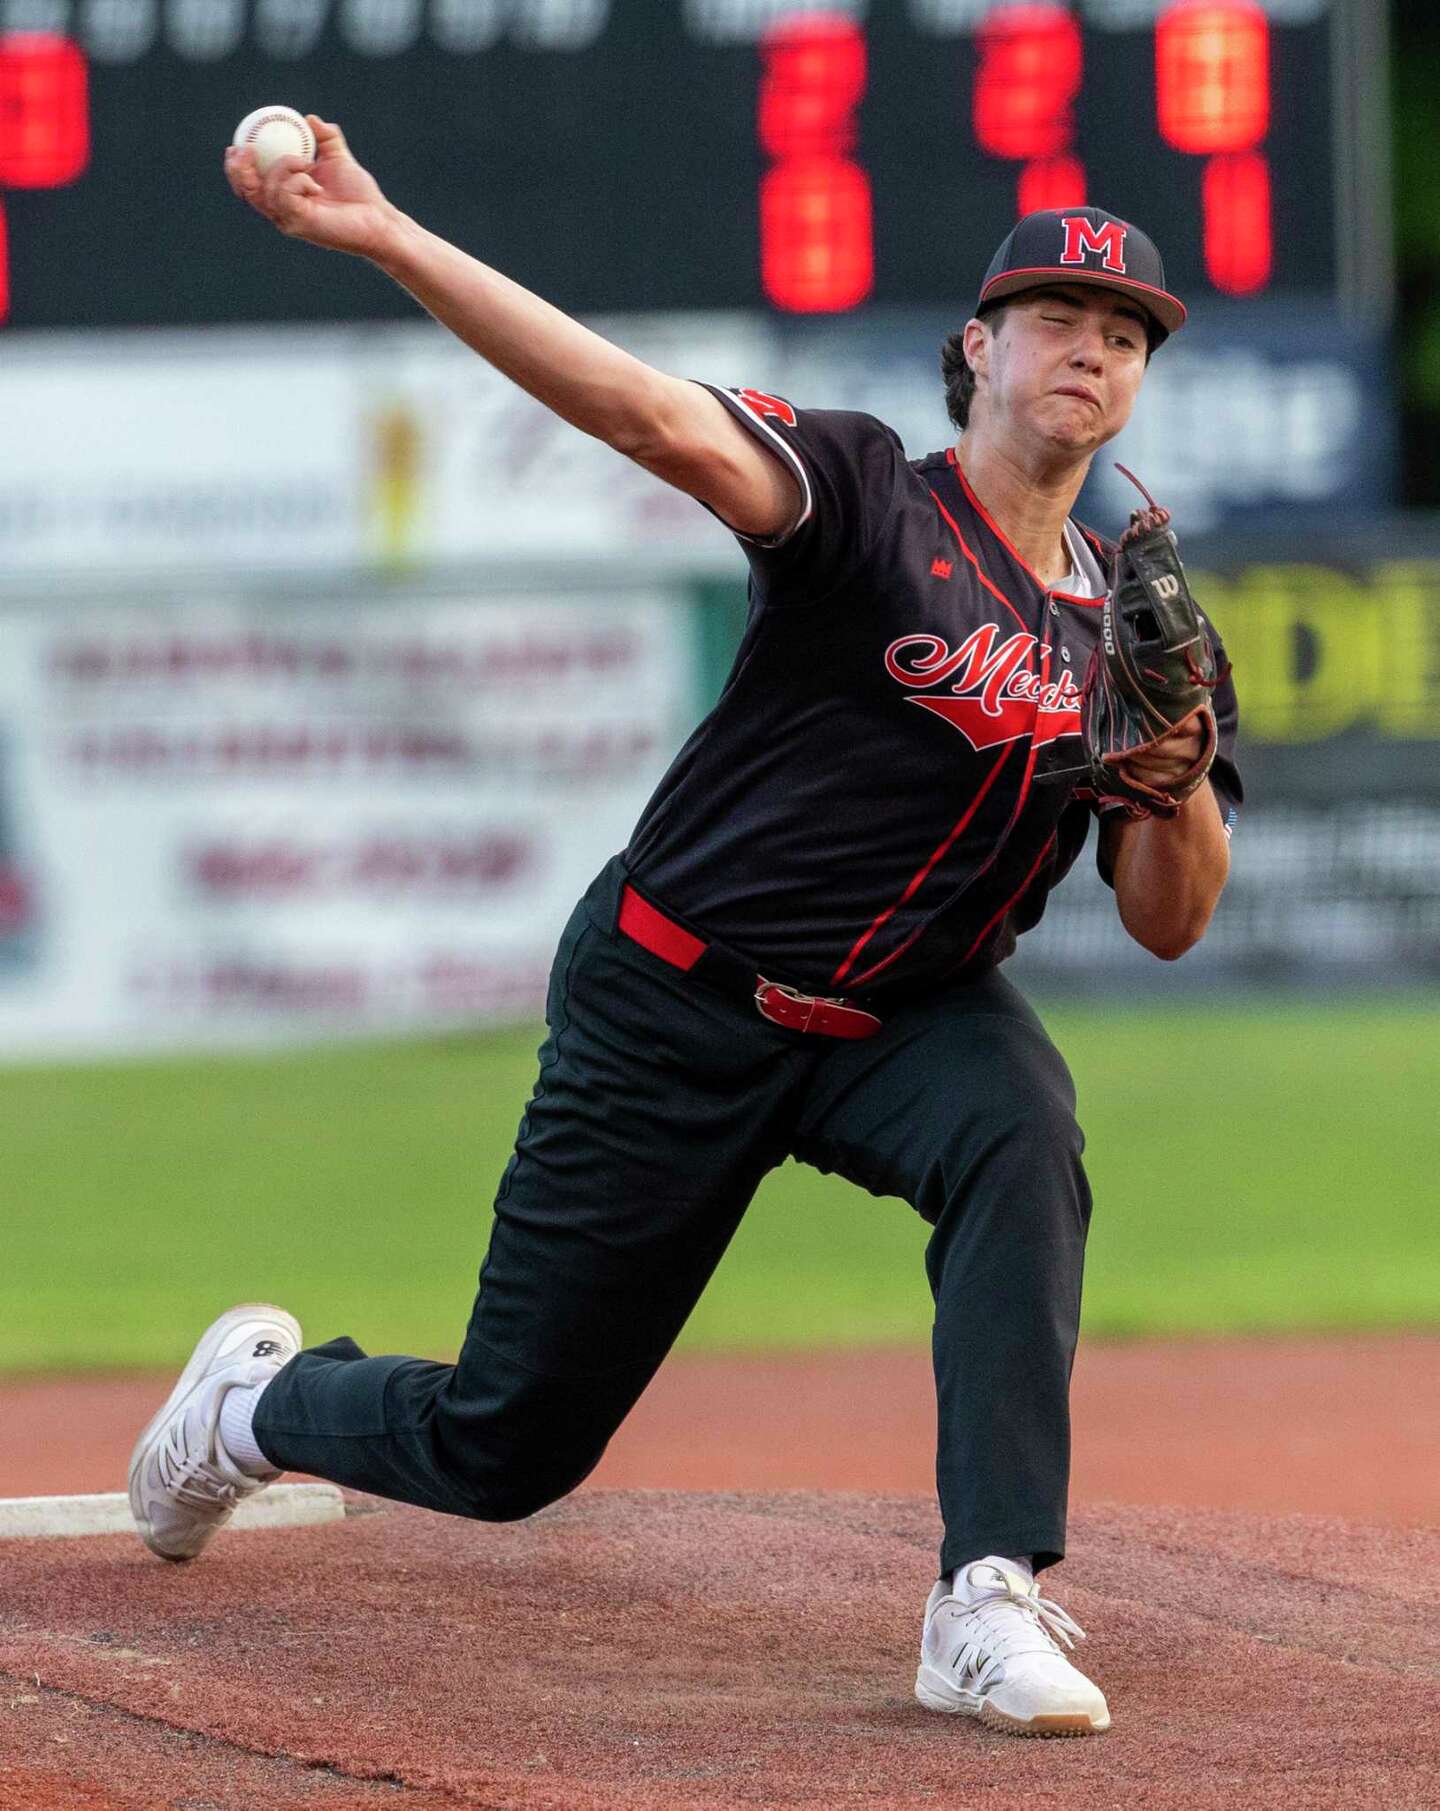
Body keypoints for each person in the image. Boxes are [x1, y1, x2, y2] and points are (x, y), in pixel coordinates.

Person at [129, 121, 1241, 1740]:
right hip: (681, 993)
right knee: (506, 1448)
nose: (1094, 346)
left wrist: (1182, 775)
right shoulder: (867, 496)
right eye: (1060, 316)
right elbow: (644, 410)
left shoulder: (1135, 621)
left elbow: (1168, 921)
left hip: (914, 1018)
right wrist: (389, 238)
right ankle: (250, 1411)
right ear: (979, 350)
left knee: (1023, 1131)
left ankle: (985, 1590)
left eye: (1126, 332)